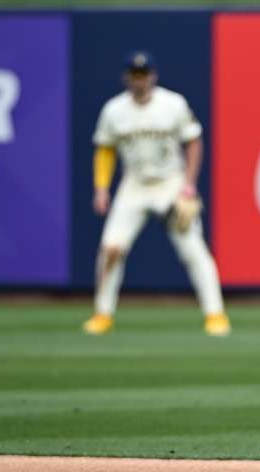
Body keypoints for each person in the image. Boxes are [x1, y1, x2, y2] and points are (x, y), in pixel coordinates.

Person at [81, 51, 231, 337]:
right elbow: (105, 149)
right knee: (112, 247)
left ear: (153, 76)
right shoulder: (114, 110)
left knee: (193, 250)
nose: (139, 80)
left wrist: (188, 183)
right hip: (134, 184)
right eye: (134, 75)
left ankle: (215, 314)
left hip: (170, 182)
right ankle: (102, 314)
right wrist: (101, 188)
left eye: (144, 74)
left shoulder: (172, 103)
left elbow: (194, 141)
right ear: (127, 78)